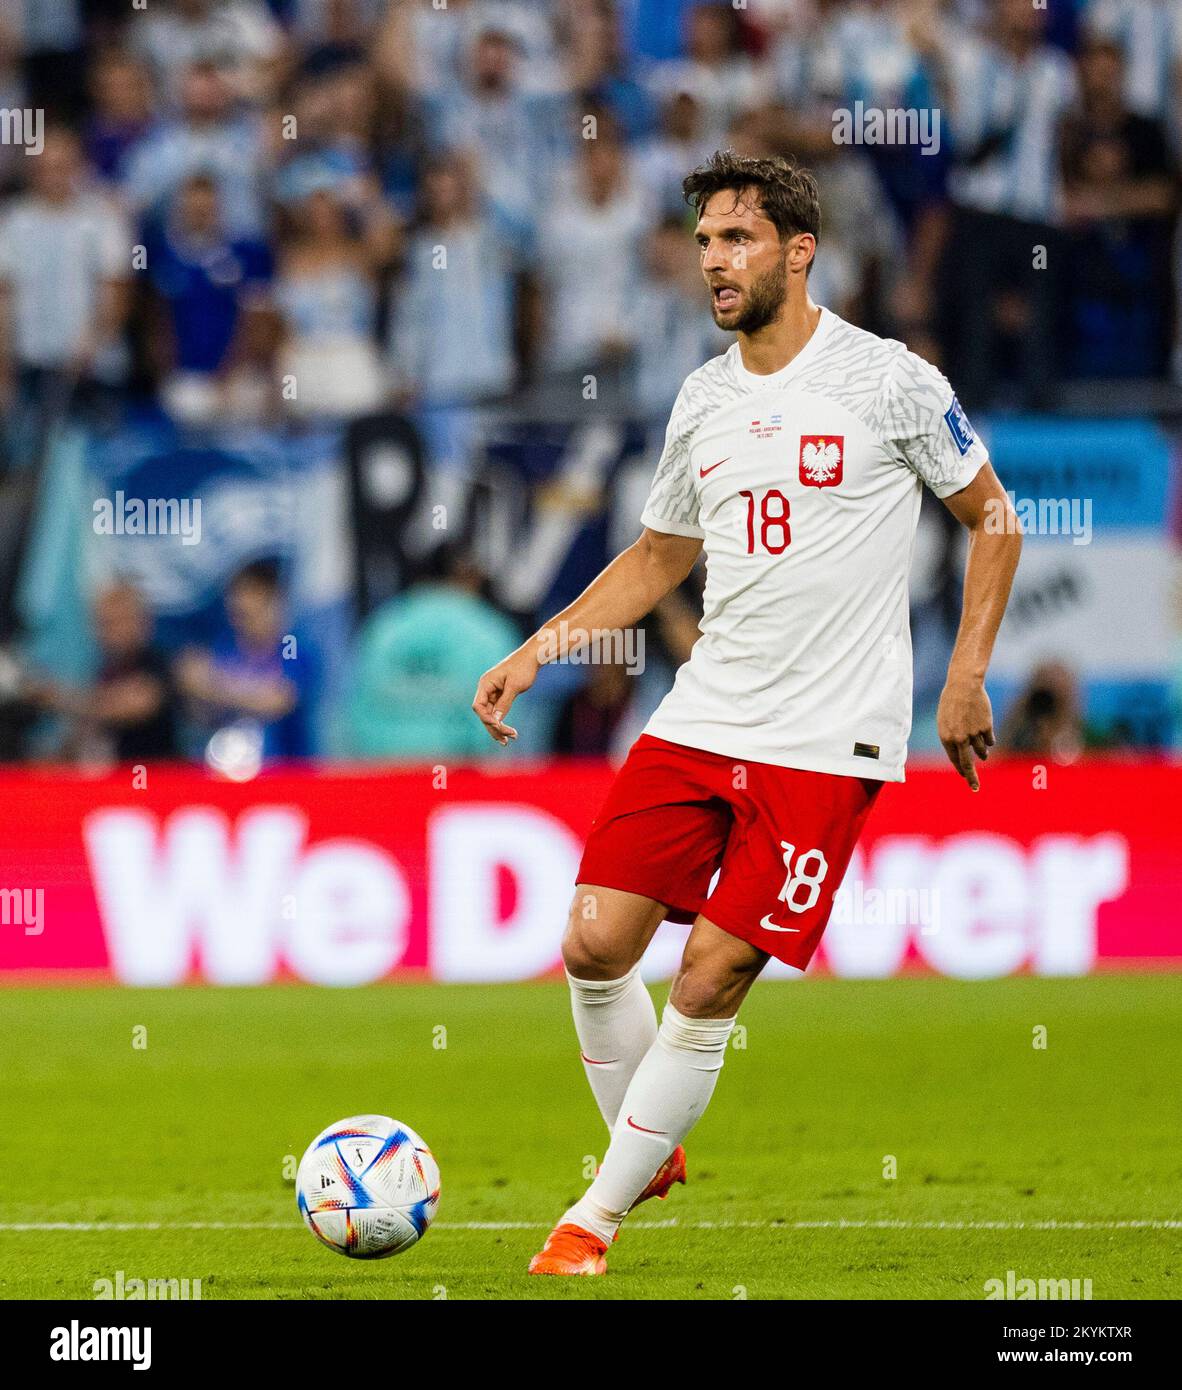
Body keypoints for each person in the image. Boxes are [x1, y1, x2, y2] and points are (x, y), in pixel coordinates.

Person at [472, 150, 1022, 1276]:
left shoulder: (889, 379)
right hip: (705, 714)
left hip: (829, 737)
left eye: (736, 239)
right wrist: (538, 649)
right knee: (590, 943)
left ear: (798, 251)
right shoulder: (703, 398)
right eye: (703, 241)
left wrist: (964, 676)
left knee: (711, 972)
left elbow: (995, 518)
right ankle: (648, 1140)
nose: (712, 262)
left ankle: (594, 1216)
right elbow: (661, 553)